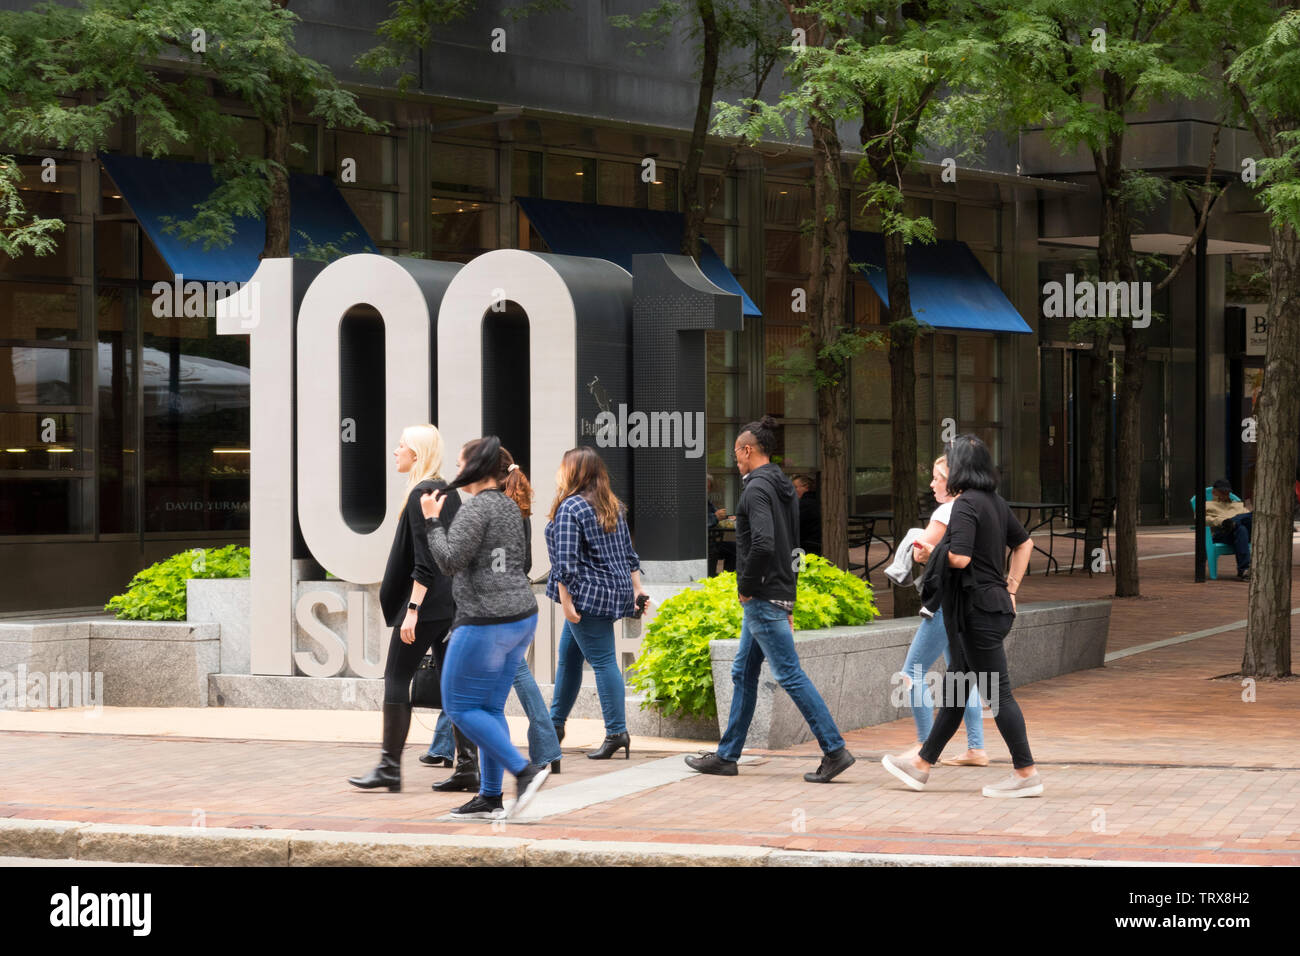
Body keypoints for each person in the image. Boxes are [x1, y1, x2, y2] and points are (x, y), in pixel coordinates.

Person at [685, 416, 855, 783]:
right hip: (774, 592)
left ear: (748, 450)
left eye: (736, 453)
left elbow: (762, 543)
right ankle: (727, 756)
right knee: (742, 672)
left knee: (789, 674)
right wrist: (787, 596)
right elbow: (791, 545)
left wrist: (745, 586)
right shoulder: (783, 487)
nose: (735, 461)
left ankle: (835, 749)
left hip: (761, 597)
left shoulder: (756, 490)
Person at [882, 434, 1041, 798]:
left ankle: (1026, 773)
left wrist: (928, 555)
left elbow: (960, 558)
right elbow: (1024, 542)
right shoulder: (994, 502)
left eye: (949, 463)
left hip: (977, 612)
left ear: (961, 469)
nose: (945, 470)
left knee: (999, 695)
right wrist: (1011, 588)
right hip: (990, 606)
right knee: (955, 691)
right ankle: (922, 764)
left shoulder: (967, 504)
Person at [422, 437, 549, 820]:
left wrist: (431, 520)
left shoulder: (475, 509)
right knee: (489, 707)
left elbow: (448, 560)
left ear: (475, 469)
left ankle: (524, 773)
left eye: (461, 464)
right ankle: (490, 795)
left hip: (484, 620)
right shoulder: (510, 507)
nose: (456, 472)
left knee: (459, 706)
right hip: (521, 616)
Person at [348, 425, 459, 793]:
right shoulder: (448, 492)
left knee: (396, 678)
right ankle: (470, 769)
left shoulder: (420, 494)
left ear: (416, 453)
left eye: (401, 447)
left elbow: (425, 561)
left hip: (427, 606)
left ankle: (389, 767)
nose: (395, 452)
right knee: (453, 686)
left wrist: (412, 609)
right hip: (450, 605)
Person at [546, 446, 650, 760]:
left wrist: (565, 601)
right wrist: (637, 590)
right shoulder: (612, 505)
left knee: (604, 661)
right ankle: (554, 726)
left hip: (585, 595)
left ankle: (617, 731)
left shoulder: (570, 507)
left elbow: (565, 562)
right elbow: (628, 555)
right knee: (568, 657)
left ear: (572, 472)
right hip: (613, 590)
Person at [896, 456, 986, 766]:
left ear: (952, 481)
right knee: (962, 676)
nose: (932, 484)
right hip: (966, 601)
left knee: (912, 673)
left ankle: (924, 746)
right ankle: (976, 748)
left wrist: (915, 546)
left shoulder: (948, 510)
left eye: (937, 477)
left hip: (944, 603)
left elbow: (923, 552)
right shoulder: (977, 506)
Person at [1207, 478, 1252, 580]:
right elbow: (1204, 519)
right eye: (1222, 491)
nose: (1225, 494)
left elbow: (1248, 518)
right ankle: (1230, 523)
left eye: (1227, 491)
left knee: (1246, 523)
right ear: (1214, 492)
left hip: (1239, 533)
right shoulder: (1208, 505)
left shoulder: (1237, 505)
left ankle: (1243, 570)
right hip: (1222, 533)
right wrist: (1222, 522)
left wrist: (1234, 522)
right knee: (1241, 526)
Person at [707, 474, 736, 575]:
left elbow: (717, 515)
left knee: (735, 548)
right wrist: (715, 517)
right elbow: (697, 523)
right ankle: (716, 577)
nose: (706, 490)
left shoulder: (707, 502)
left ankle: (727, 577)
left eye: (708, 487)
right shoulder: (693, 502)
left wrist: (728, 518)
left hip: (713, 540)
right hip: (702, 544)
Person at [792, 474, 822, 557]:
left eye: (795, 487)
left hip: (807, 549)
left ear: (806, 487)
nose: (793, 490)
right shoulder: (818, 501)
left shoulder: (804, 505)